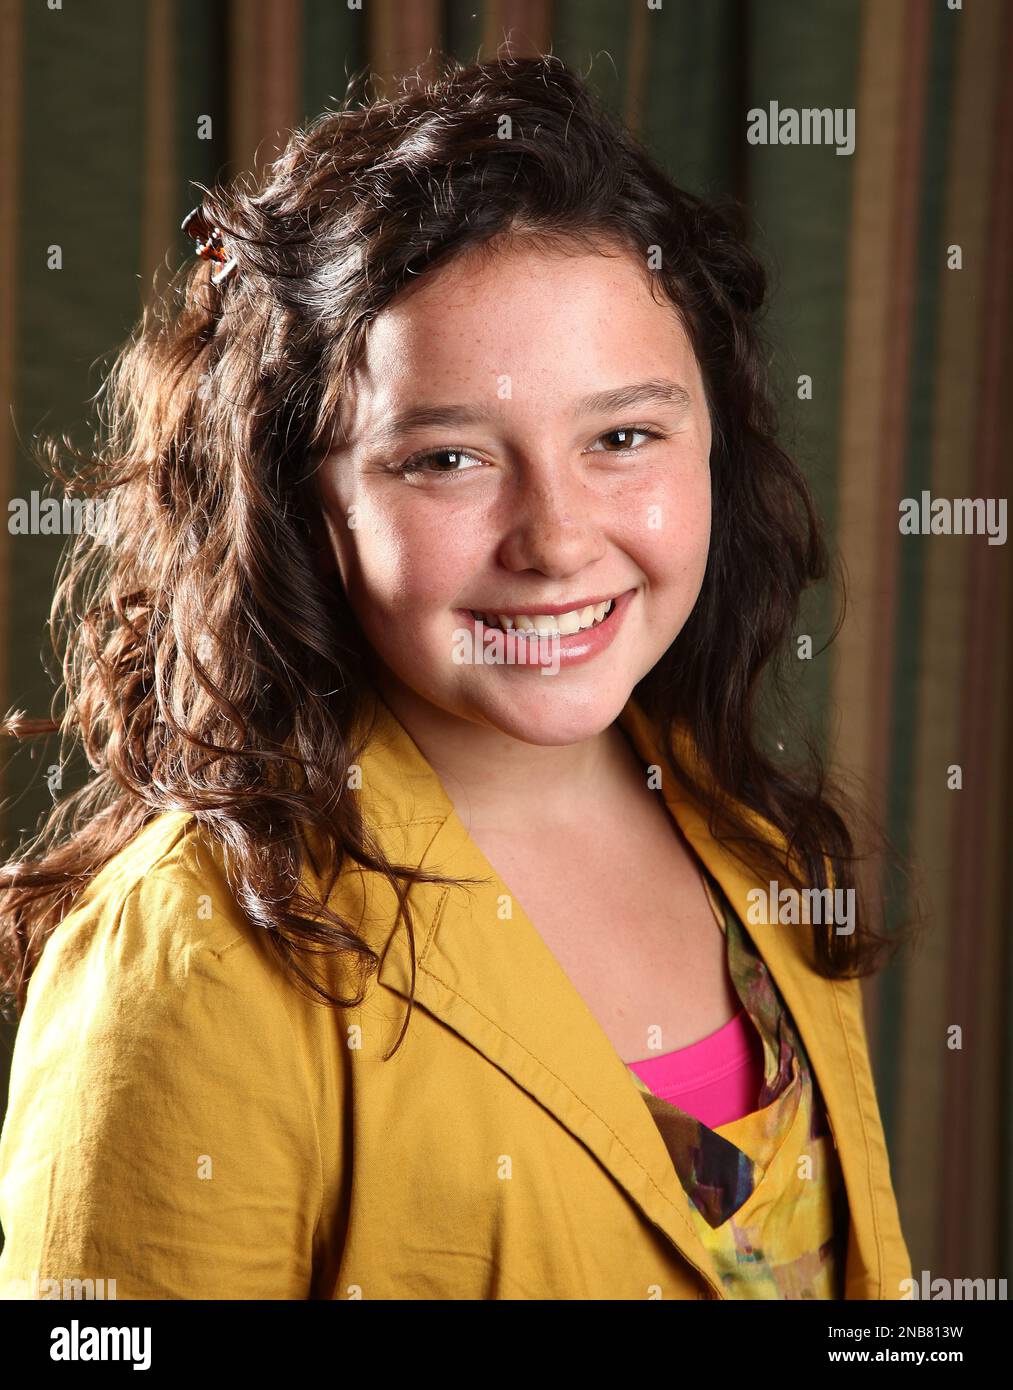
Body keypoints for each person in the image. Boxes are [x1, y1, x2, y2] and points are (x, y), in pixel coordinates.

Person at [0, 52, 913, 1301]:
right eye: (445, 459)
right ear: (302, 502)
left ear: (718, 440)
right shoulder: (194, 952)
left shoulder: (749, 842)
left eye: (623, 436)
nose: (555, 538)